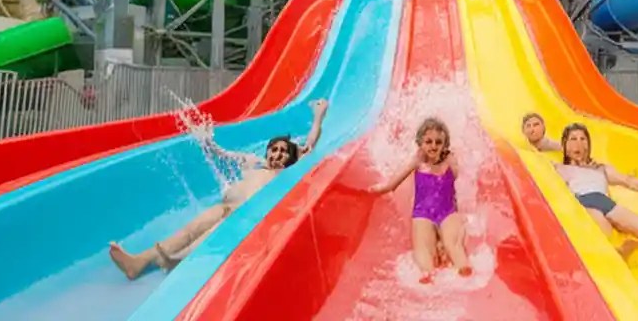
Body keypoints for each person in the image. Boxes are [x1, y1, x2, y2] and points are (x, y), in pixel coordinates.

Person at [107, 99, 328, 280]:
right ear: (267, 152)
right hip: (228, 208)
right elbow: (221, 153)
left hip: (248, 218)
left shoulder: (286, 173)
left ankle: (178, 260)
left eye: (283, 152)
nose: (278, 154)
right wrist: (207, 141)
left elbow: (310, 143)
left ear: (290, 157)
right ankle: (139, 262)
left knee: (215, 231)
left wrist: (319, 114)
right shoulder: (252, 162)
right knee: (191, 228)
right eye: (274, 150)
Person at [540, 119, 638, 269]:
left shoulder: (601, 169)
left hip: (607, 203)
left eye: (583, 139)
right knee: (602, 229)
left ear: (588, 144)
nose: (579, 143)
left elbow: (632, 183)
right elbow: (538, 149)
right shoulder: (559, 168)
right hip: (583, 204)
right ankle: (619, 250)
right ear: (565, 145)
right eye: (573, 139)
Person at [370, 116, 472, 283]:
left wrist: (454, 163)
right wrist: (383, 189)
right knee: (423, 246)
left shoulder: (449, 161)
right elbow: (395, 183)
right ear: (420, 143)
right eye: (428, 141)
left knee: (452, 242)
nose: (433, 146)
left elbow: (458, 183)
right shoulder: (417, 163)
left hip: (447, 211)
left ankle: (463, 267)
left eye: (438, 142)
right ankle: (428, 273)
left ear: (445, 144)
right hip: (422, 213)